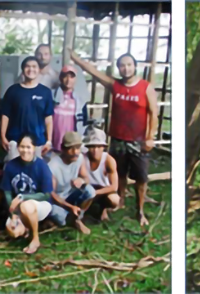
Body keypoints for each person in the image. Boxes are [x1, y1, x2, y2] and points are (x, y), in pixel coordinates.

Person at [69, 50, 160, 227]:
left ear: (135, 66)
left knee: (141, 177)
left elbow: (153, 113)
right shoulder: (115, 85)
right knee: (120, 173)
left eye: (129, 65)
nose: (125, 69)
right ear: (118, 68)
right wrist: (76, 59)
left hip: (138, 140)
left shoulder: (145, 87)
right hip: (118, 138)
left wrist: (150, 138)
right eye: (122, 65)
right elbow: (94, 72)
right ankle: (120, 200)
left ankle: (140, 210)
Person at [0, 57, 55, 161]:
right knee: (14, 172)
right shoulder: (12, 91)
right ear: (23, 69)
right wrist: (3, 137)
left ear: (39, 70)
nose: (31, 69)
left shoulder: (45, 92)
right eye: (27, 66)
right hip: (15, 141)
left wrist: (49, 140)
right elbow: (5, 115)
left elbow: (48, 118)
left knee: (35, 174)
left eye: (34, 67)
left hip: (38, 142)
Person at [47, 132, 94, 234]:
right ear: (63, 149)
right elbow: (51, 194)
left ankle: (77, 219)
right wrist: (69, 207)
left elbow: (86, 178)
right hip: (57, 201)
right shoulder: (53, 166)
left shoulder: (80, 158)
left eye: (77, 148)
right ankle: (63, 218)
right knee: (61, 219)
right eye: (71, 148)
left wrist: (81, 180)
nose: (75, 152)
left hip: (71, 195)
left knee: (90, 191)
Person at [5, 193, 69, 254]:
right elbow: (8, 194)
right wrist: (13, 214)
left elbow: (45, 195)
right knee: (13, 231)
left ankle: (35, 239)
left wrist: (23, 197)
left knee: (25, 206)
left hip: (39, 203)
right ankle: (28, 232)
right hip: (19, 210)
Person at [49, 65, 89, 158]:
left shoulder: (80, 100)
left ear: (75, 79)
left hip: (72, 145)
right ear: (60, 78)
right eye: (65, 76)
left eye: (71, 76)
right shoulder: (51, 96)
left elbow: (84, 122)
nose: (68, 79)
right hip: (53, 144)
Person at [84, 129, 121, 222]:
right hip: (87, 187)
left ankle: (103, 209)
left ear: (103, 147)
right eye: (92, 147)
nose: (95, 150)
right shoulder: (83, 158)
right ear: (88, 147)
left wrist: (96, 193)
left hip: (103, 189)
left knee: (115, 200)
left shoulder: (109, 160)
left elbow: (114, 187)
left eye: (98, 146)